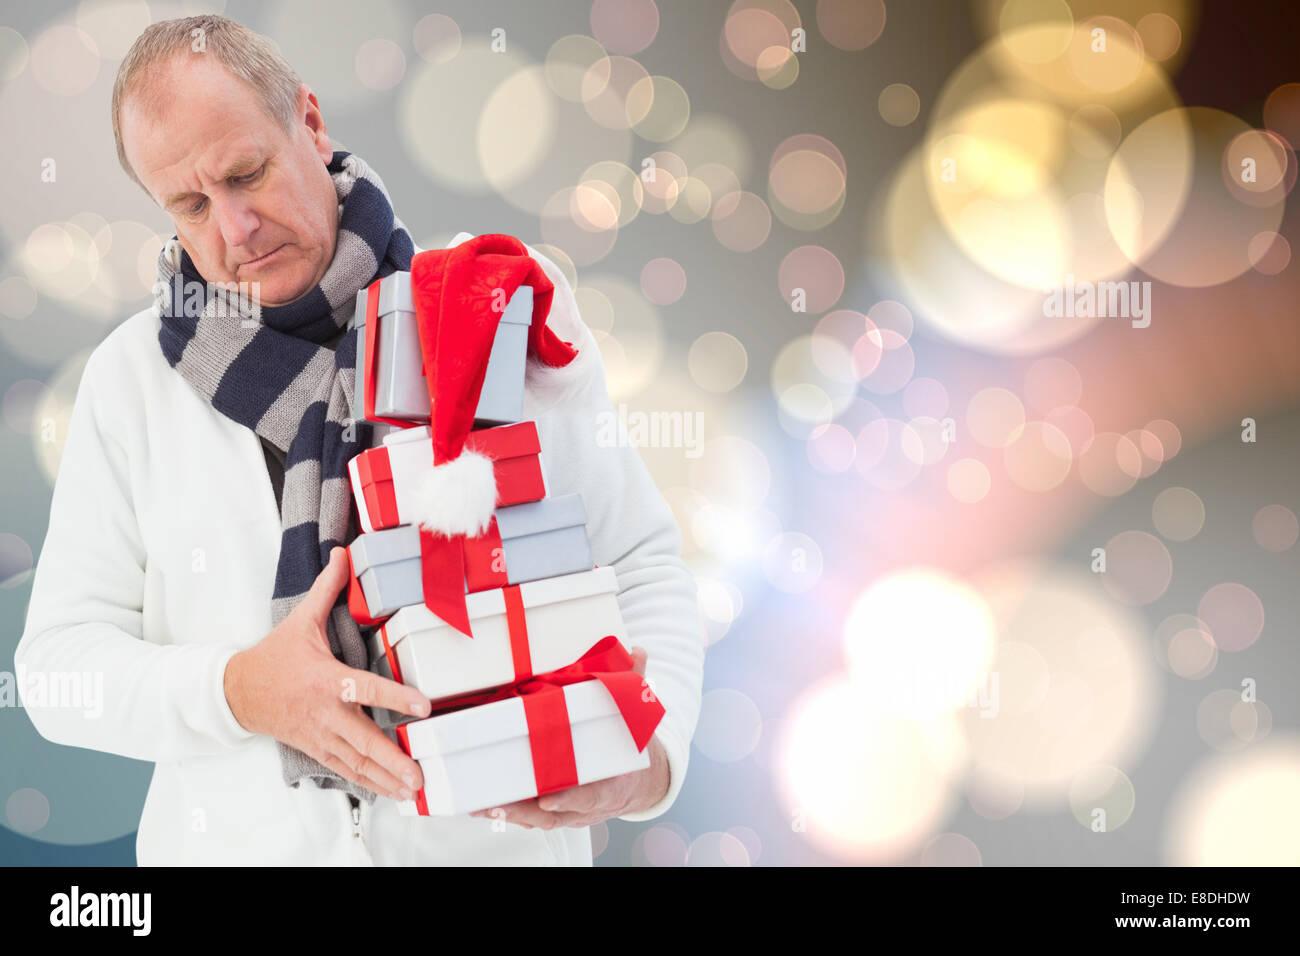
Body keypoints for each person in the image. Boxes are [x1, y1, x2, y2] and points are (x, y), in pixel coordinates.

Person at [14, 15, 704, 866]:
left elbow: (637, 561)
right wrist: (240, 692)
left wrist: (649, 763)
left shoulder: (495, 305)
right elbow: (56, 672)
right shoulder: (130, 381)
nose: (235, 229)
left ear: (308, 120)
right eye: (191, 205)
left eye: (247, 173)